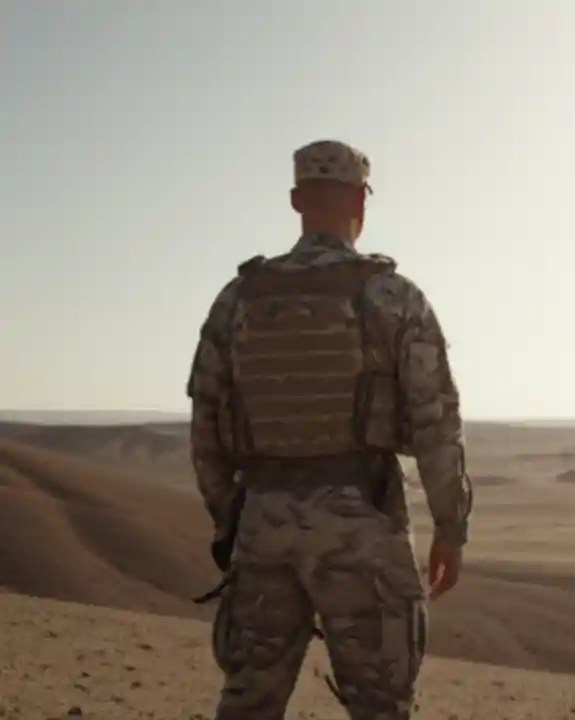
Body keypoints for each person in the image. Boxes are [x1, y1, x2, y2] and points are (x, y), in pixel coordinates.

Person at [185, 139, 473, 719]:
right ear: (361, 202)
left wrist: (231, 518)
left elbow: (206, 426)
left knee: (248, 701)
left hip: (263, 522)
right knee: (381, 705)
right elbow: (435, 421)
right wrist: (451, 525)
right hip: (361, 522)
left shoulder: (238, 299)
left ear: (297, 201)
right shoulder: (392, 297)